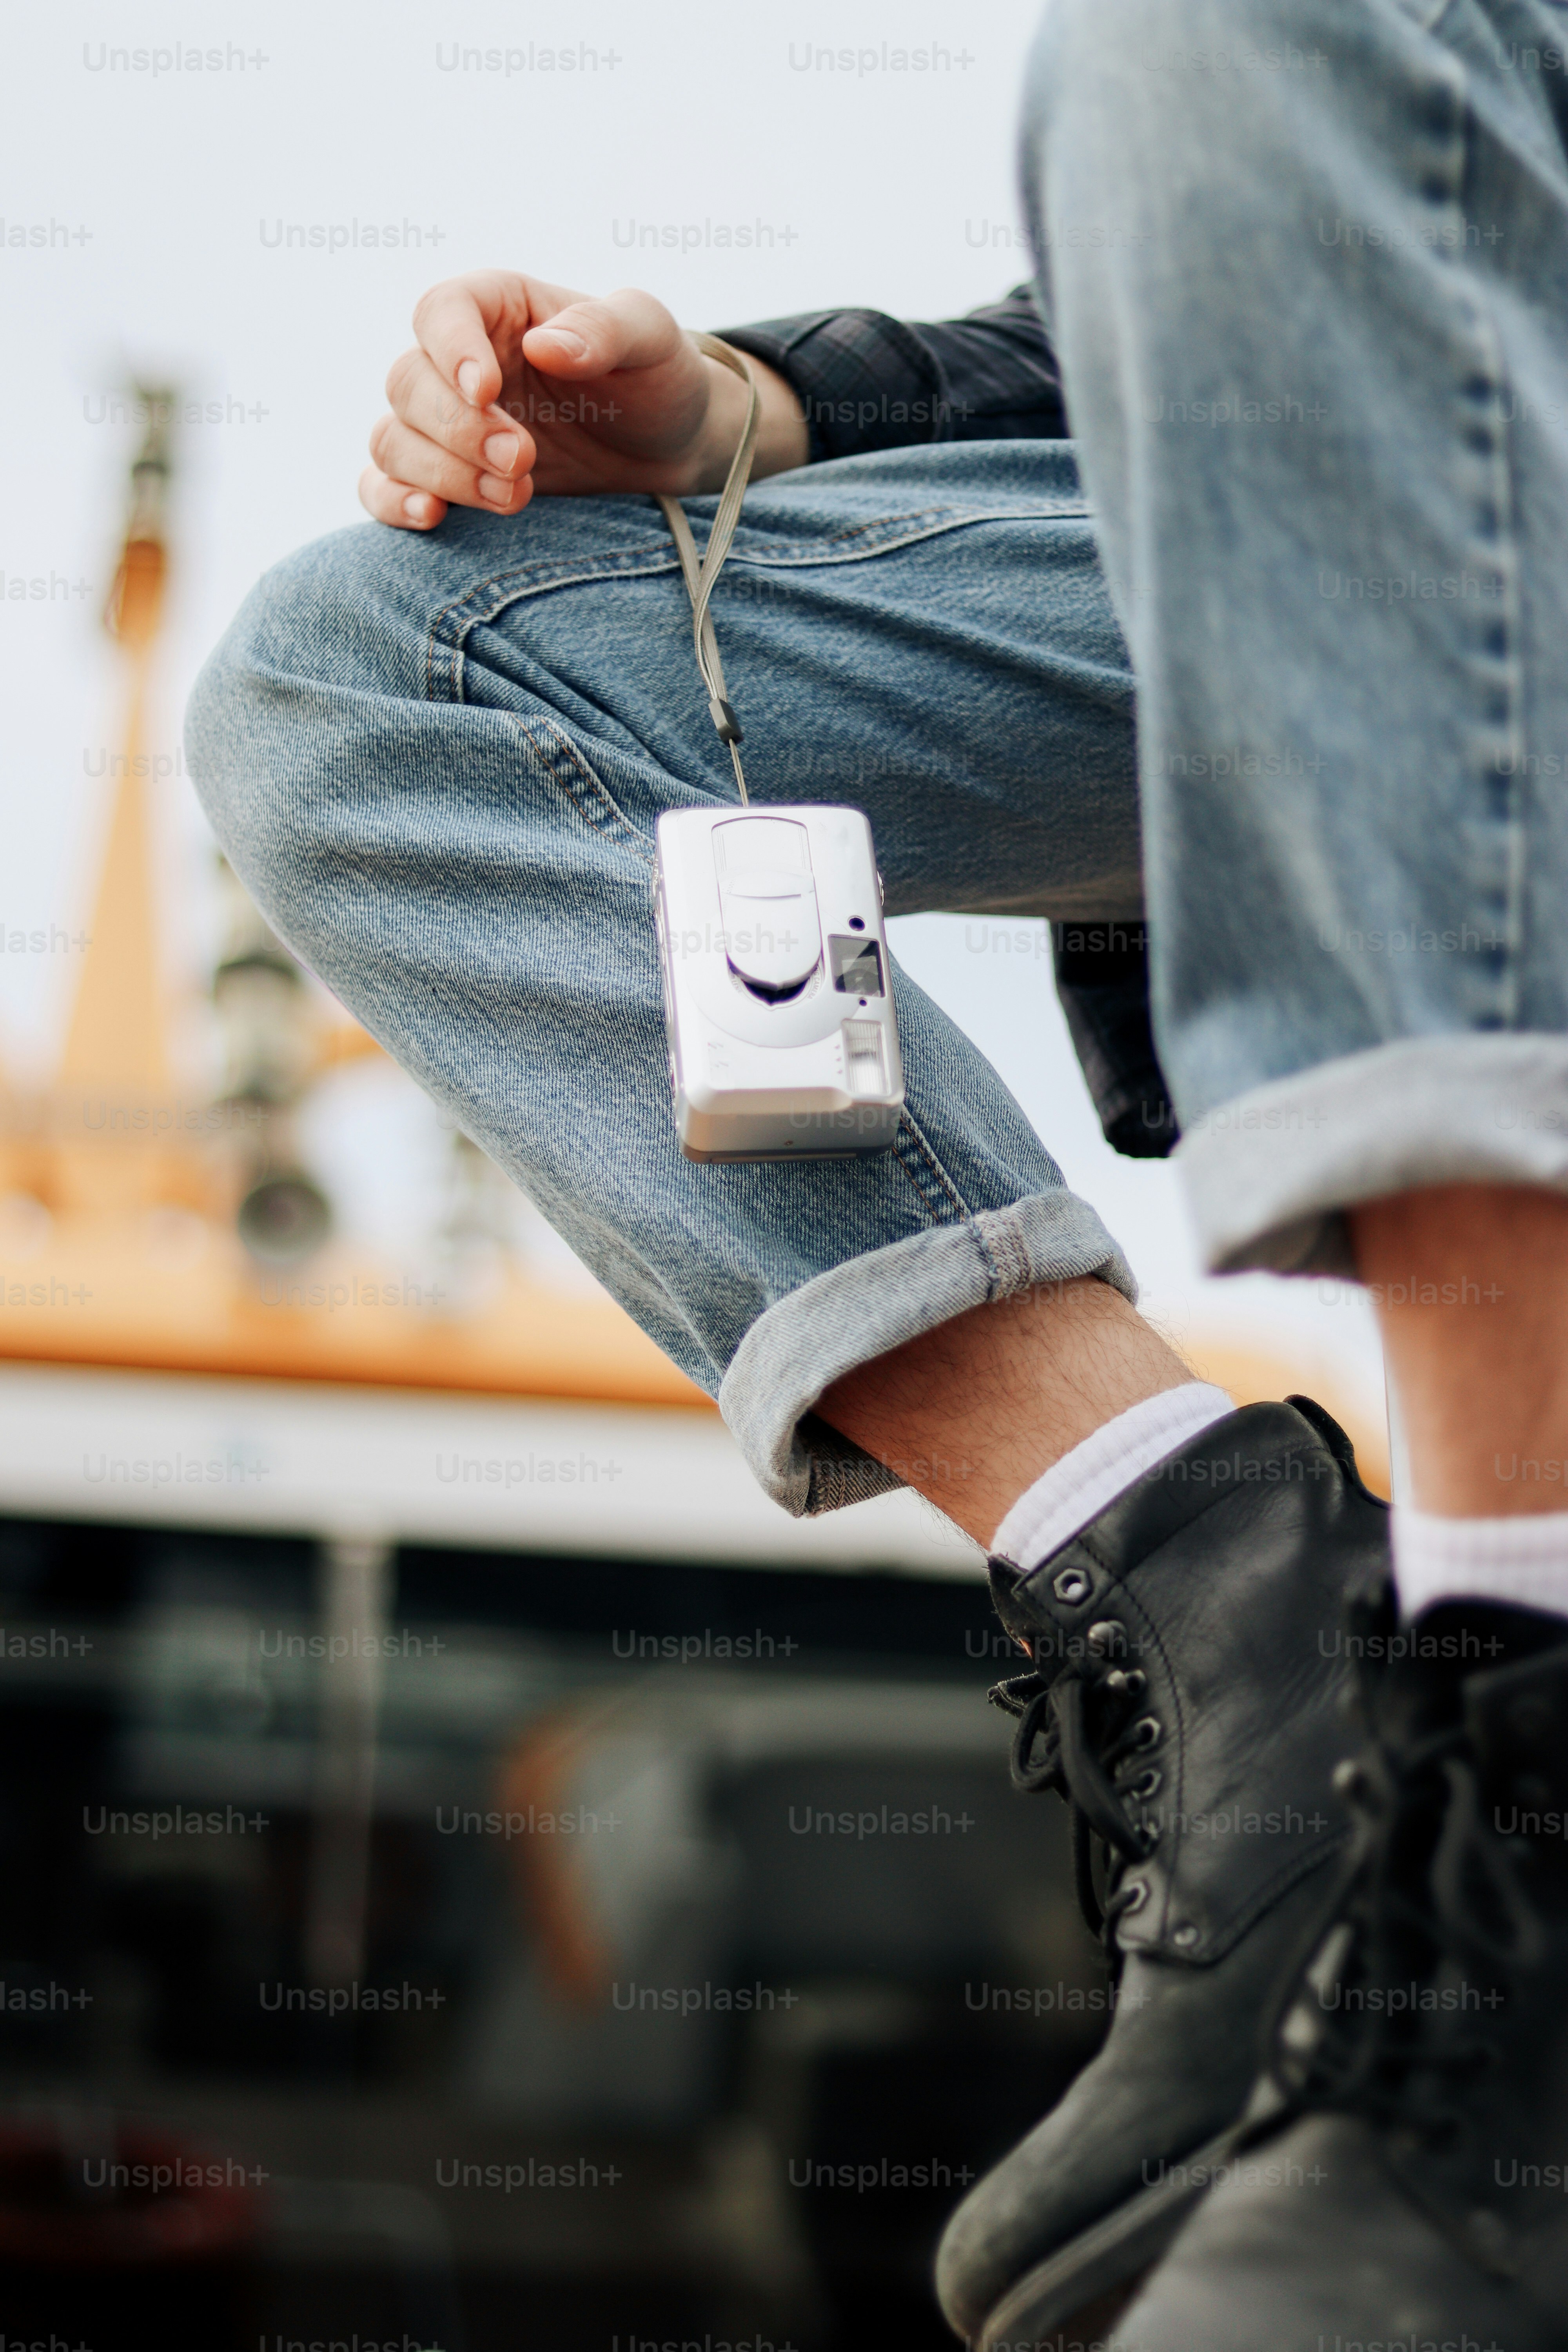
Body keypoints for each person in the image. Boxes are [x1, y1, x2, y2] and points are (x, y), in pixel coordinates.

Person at [187, 0, 1568, 2332]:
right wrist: (761, 408)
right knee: (370, 677)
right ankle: (1259, 1648)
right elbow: (1358, 214)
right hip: (1416, 455)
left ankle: (1519, 1786)